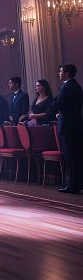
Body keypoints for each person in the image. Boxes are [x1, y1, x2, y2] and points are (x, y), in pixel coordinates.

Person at [56, 64, 82, 193]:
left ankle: (74, 185)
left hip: (69, 126)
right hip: (71, 124)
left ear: (67, 73)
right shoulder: (71, 85)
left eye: (61, 71)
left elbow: (61, 103)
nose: (59, 73)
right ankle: (75, 184)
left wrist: (54, 109)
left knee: (72, 157)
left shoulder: (69, 86)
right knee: (72, 156)